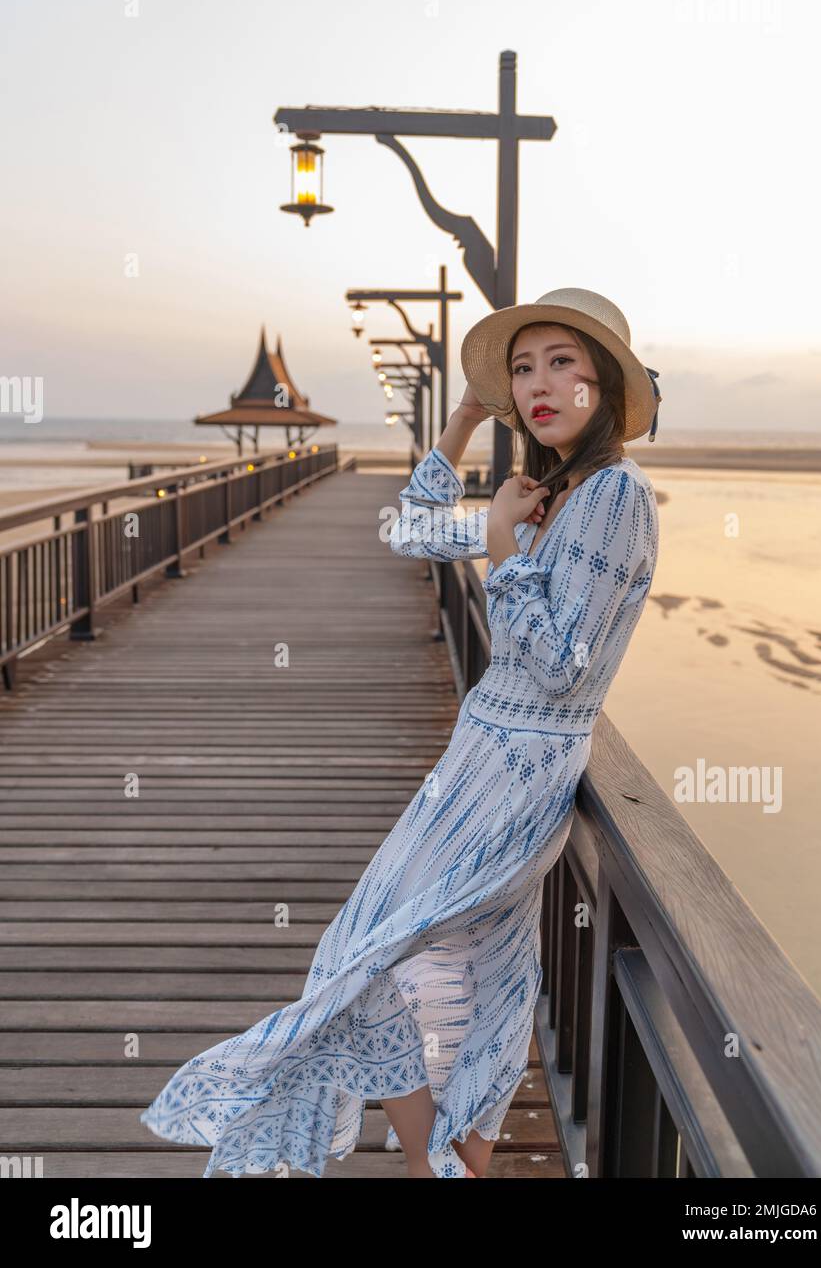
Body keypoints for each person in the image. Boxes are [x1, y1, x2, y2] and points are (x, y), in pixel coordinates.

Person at [139, 287, 661, 1179]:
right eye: (521, 368)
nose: (537, 383)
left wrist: (501, 548)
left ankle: (440, 1166)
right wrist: (463, 416)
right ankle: (453, 1166)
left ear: (604, 384)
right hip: (484, 756)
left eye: (561, 363)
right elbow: (411, 530)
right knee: (471, 976)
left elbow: (563, 666)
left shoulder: (614, 495)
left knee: (365, 951)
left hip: (517, 766)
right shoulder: (554, 491)